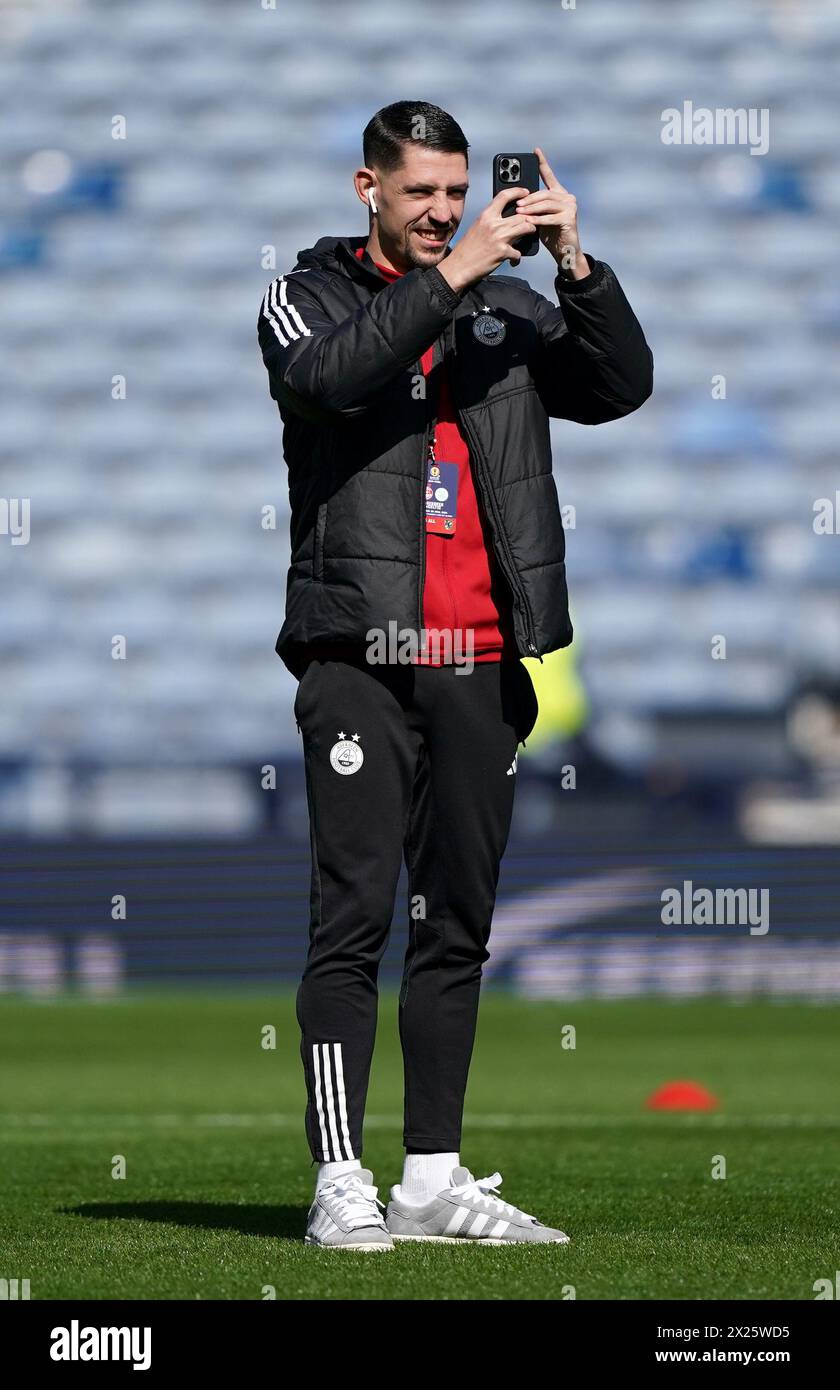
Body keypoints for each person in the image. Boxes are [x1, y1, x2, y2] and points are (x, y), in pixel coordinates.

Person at [257, 101, 653, 1250]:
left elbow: (619, 382)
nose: (442, 212)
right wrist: (460, 268)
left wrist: (574, 260)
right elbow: (334, 375)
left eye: (456, 191)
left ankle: (429, 1177)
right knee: (353, 917)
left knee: (456, 927)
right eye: (419, 191)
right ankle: (341, 1175)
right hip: (361, 654)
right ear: (366, 187)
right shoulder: (309, 294)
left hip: (479, 661)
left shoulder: (505, 311)